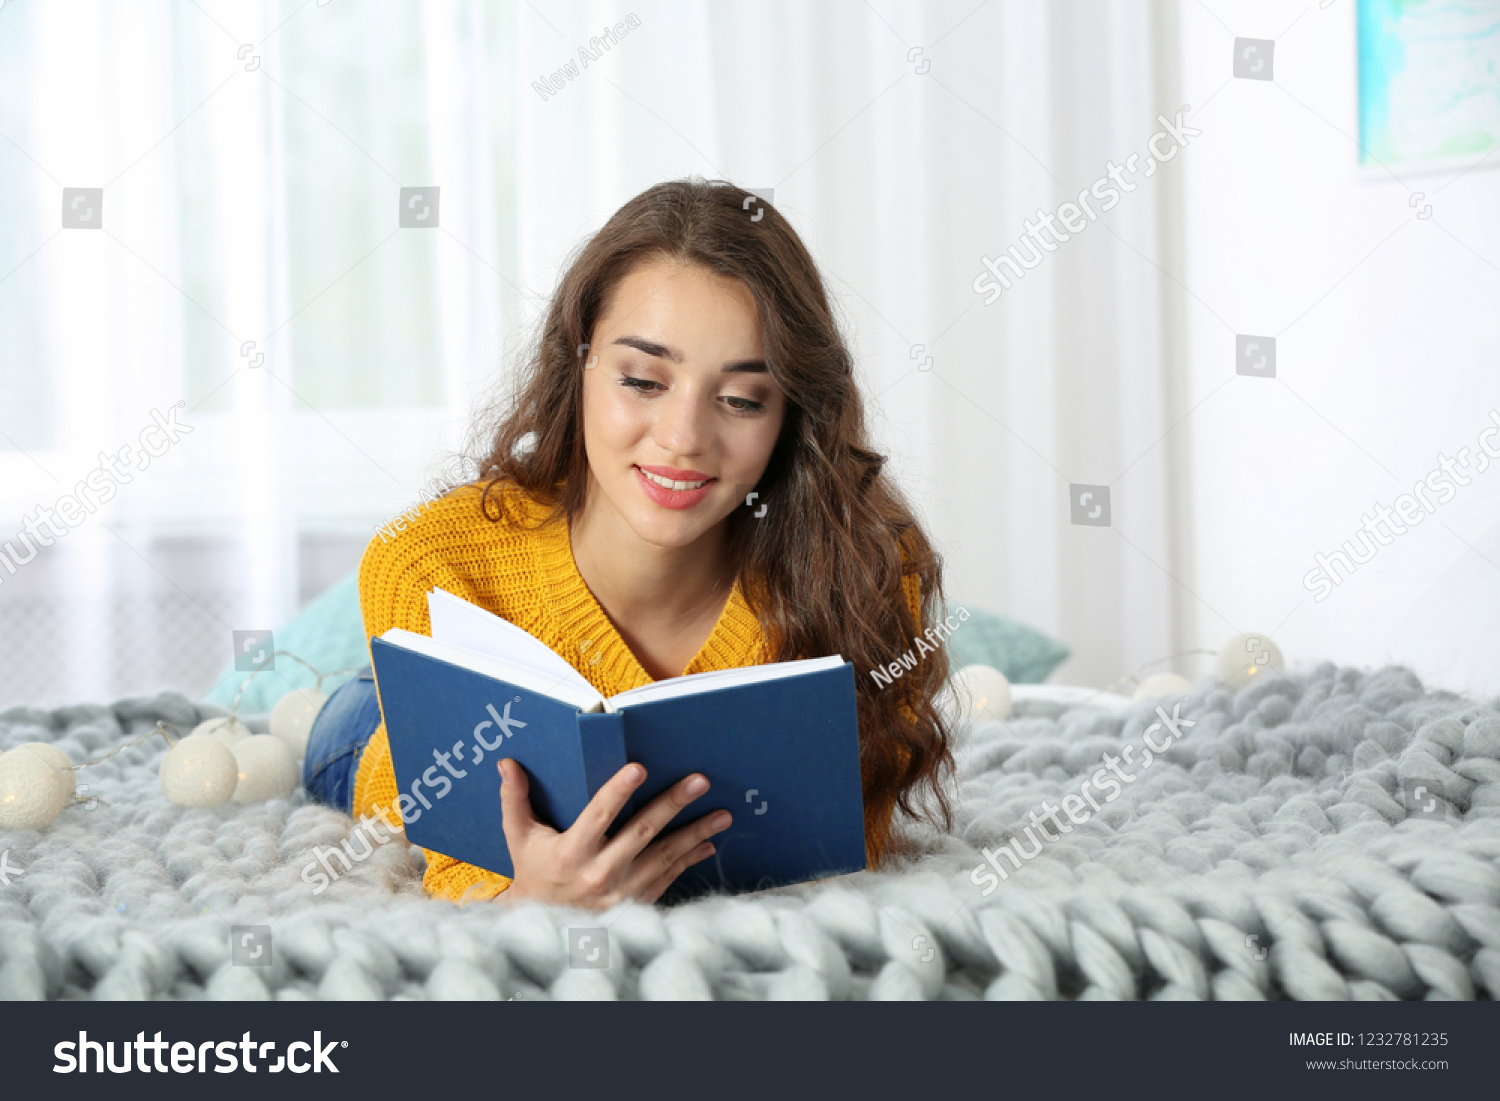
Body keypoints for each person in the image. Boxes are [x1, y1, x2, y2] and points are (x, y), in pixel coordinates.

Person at [303, 177, 955, 908]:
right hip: (364, 734)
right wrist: (530, 897)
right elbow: (446, 854)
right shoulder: (430, 560)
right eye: (644, 380)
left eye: (742, 399)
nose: (683, 439)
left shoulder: (864, 572)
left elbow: (848, 838)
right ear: (576, 364)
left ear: (791, 415)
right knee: (339, 725)